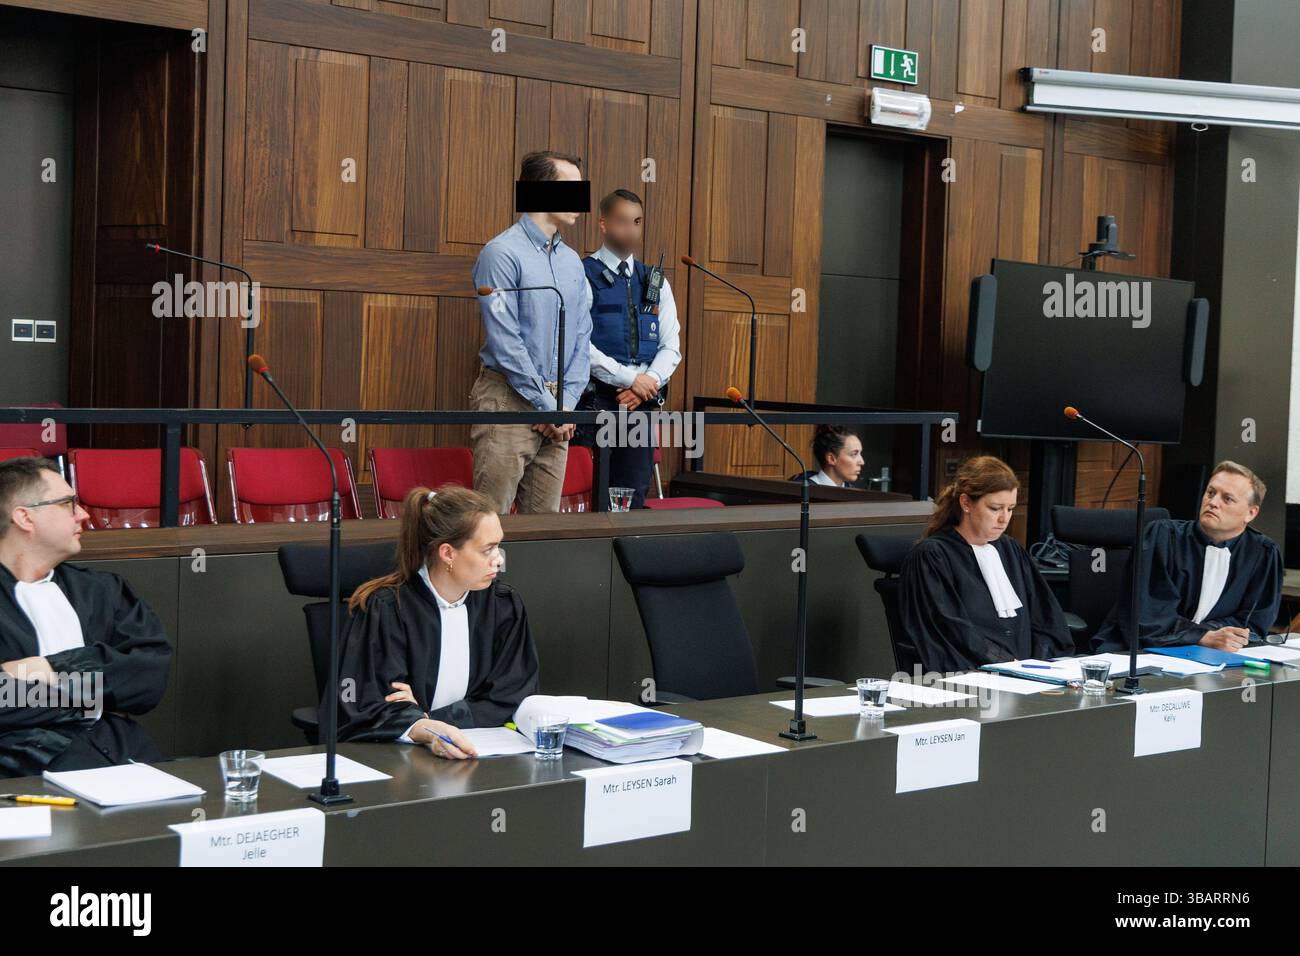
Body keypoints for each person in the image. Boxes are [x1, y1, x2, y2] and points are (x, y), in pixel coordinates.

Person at [329, 485, 540, 758]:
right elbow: (365, 704)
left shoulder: (503, 605)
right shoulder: (387, 610)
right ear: (448, 553)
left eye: (498, 546)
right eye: (487, 550)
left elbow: (514, 694)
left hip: (481, 755)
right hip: (396, 764)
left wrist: (428, 717)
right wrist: (419, 726)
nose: (498, 561)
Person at [0, 457, 171, 778]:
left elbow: (149, 678)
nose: (84, 514)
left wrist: (48, 668)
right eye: (68, 504)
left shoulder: (102, 589)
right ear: (24, 517)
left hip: (125, 751)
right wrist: (99, 689)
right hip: (22, 769)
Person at [470, 150, 594, 513]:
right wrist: (548, 406)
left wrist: (566, 406)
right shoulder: (501, 253)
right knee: (487, 523)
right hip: (508, 397)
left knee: (545, 530)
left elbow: (582, 337)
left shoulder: (572, 262)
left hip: (559, 409)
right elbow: (505, 340)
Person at [899, 455, 1073, 672]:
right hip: (972, 676)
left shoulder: (1011, 550)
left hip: (1026, 674)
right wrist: (1004, 664)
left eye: (1010, 509)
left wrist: (1039, 665)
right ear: (966, 503)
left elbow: (1045, 618)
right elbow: (948, 631)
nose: (1004, 519)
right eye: (995, 508)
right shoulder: (932, 557)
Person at [1091, 460, 1283, 652]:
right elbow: (1148, 617)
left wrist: (1216, 638)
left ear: (1251, 513)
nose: (1213, 503)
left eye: (1227, 499)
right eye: (1210, 493)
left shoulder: (1263, 553)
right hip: (1136, 651)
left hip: (1215, 655)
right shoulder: (1162, 536)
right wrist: (1204, 636)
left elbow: (1254, 623)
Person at [574, 189, 682, 509]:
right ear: (604, 224)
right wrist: (628, 379)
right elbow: (579, 345)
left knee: (629, 500)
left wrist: (646, 382)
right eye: (622, 221)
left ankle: (621, 558)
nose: (631, 230)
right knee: (593, 500)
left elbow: (671, 345)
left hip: (641, 406)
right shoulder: (583, 274)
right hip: (596, 405)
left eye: (636, 222)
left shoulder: (654, 279)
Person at [793, 425, 863, 488]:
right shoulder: (803, 490)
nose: (862, 462)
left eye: (860, 453)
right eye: (854, 454)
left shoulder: (852, 492)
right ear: (831, 459)